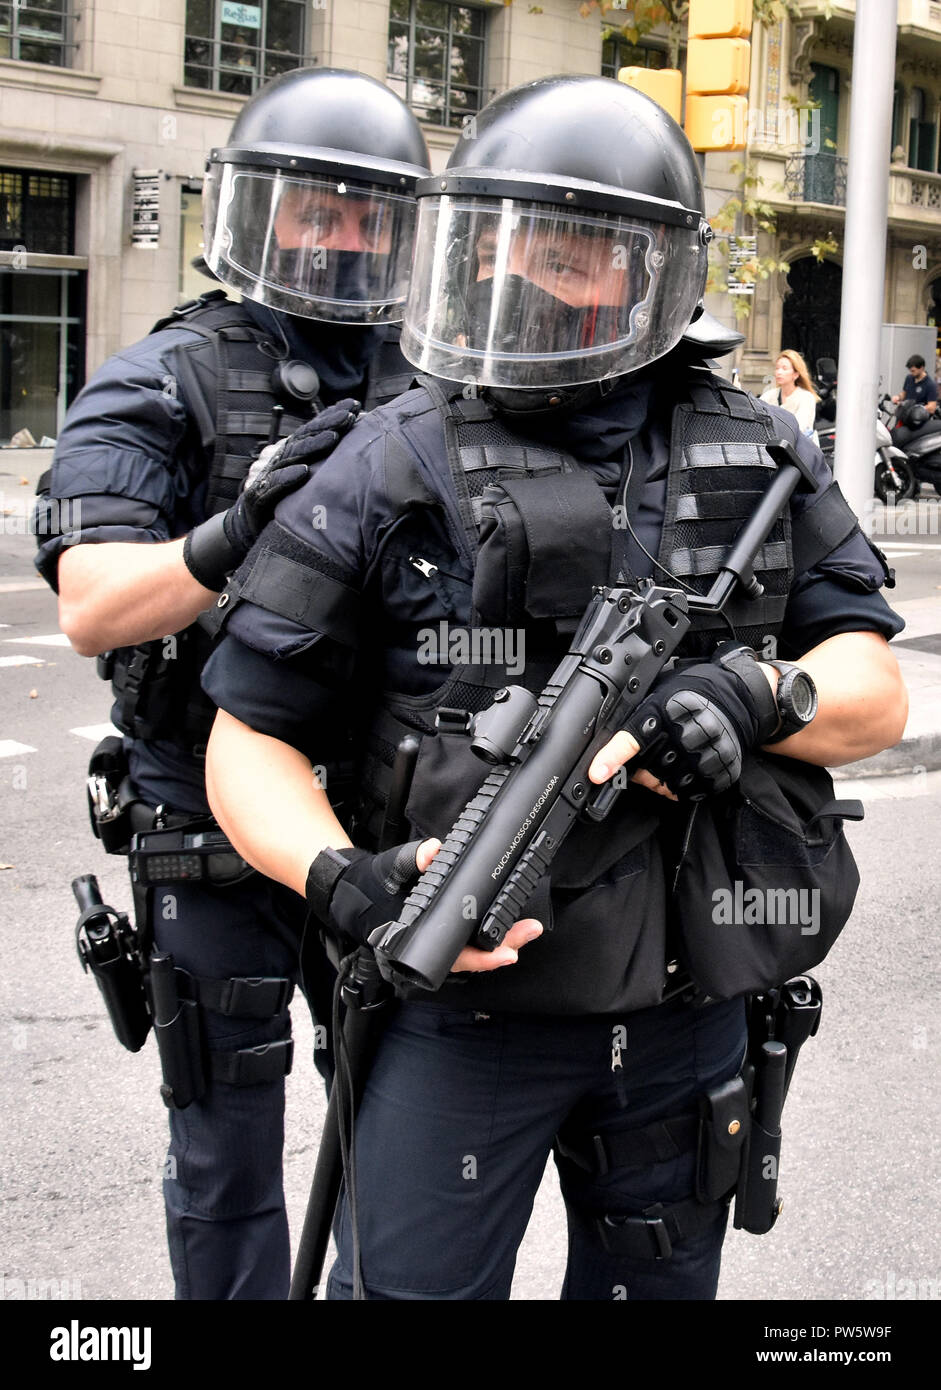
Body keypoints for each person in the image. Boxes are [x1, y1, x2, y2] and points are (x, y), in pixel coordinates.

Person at [202, 76, 907, 1301]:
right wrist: (338, 876)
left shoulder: (753, 449)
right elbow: (247, 738)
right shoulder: (388, 458)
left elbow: (872, 688)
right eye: (518, 236)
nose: (542, 271)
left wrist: (757, 698)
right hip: (457, 1001)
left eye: (583, 248)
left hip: (689, 1002)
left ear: (654, 273)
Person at [33, 67, 430, 1301]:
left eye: (372, 213)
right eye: (319, 208)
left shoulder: (434, 380)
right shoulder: (165, 375)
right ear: (260, 212)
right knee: (225, 1156)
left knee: (404, 1151)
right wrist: (231, 533)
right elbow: (94, 601)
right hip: (204, 822)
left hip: (384, 822)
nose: (345, 237)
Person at [760, 349, 820, 441]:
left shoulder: (806, 398)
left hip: (799, 452)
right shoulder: (768, 396)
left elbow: (798, 428)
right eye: (777, 368)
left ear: (796, 374)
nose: (779, 372)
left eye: (784, 368)